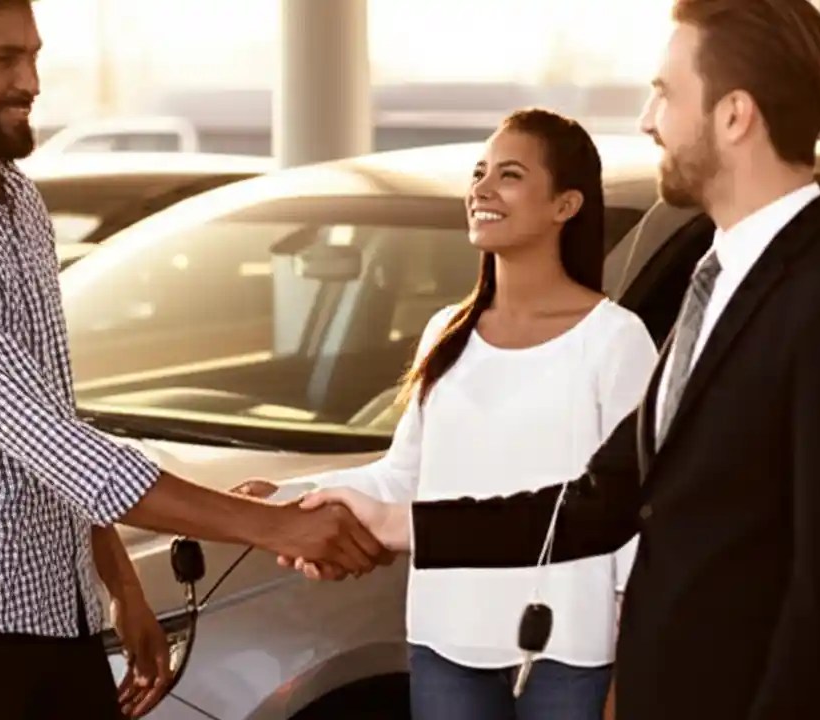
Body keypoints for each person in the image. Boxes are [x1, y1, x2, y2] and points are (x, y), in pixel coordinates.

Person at [296, 1, 820, 719]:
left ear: (735, 115)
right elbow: (600, 502)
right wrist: (393, 521)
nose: (648, 120)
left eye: (665, 92)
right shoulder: (716, 278)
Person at [0, 2, 385, 718]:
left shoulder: (19, 204)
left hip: (57, 614)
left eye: (34, 54)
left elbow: (51, 420)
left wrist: (121, 587)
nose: (32, 80)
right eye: (4, 60)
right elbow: (56, 444)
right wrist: (276, 527)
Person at [239, 109, 656, 720]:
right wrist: (293, 494)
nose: (482, 189)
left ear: (565, 205)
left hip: (569, 652)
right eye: (479, 172)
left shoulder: (615, 339)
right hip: (447, 642)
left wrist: (629, 658)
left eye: (508, 175)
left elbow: (630, 517)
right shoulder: (447, 332)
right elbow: (404, 478)